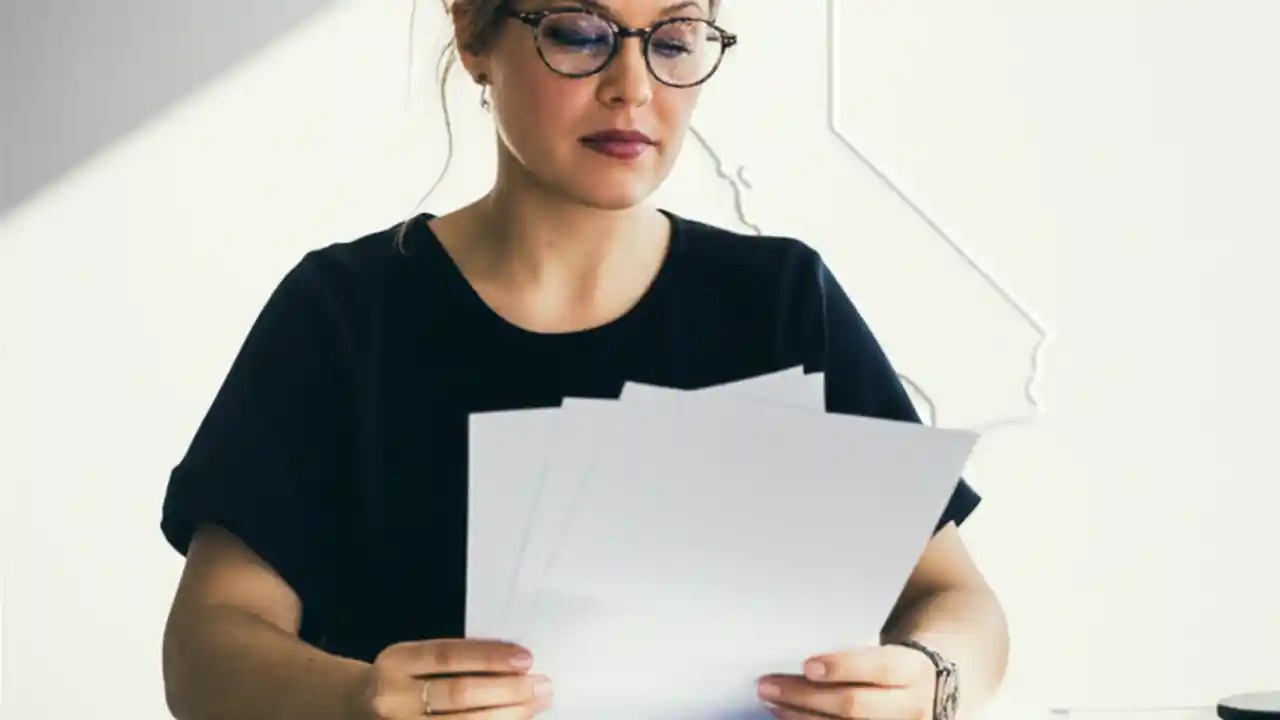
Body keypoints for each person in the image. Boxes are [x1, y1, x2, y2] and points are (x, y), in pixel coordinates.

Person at [158, 1, 1010, 719]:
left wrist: (931, 680)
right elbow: (207, 643)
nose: (633, 88)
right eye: (579, 34)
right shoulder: (343, 313)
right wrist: (359, 700)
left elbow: (957, 599)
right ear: (473, 35)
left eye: (673, 41)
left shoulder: (780, 301)